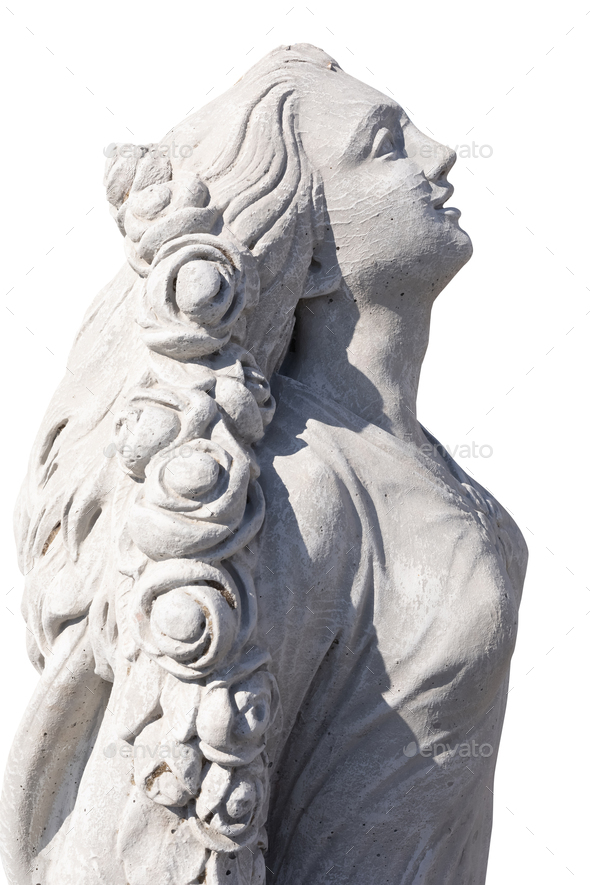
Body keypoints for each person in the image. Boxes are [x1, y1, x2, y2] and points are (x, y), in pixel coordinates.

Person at [1, 44, 527, 885]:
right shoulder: (292, 491)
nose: (441, 154)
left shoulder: (457, 495)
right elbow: (148, 846)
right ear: (310, 254)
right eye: (386, 145)